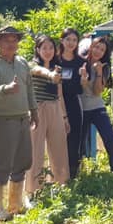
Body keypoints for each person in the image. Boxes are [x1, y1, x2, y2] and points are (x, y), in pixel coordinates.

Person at [0, 25, 39, 220]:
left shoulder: (22, 63)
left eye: (14, 40)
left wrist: (34, 111)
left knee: (22, 161)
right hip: (3, 120)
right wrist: (6, 88)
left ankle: (15, 205)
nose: (11, 43)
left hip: (23, 118)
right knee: (0, 163)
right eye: (7, 40)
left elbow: (30, 89)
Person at [27, 34, 70, 193]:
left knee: (59, 147)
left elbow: (60, 95)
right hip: (37, 110)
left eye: (51, 47)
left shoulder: (58, 68)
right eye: (44, 48)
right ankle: (33, 188)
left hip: (55, 108)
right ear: (37, 50)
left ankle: (61, 183)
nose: (48, 51)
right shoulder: (31, 65)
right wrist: (50, 75)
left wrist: (65, 117)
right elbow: (38, 71)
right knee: (35, 149)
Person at [79, 36, 113, 172]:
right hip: (81, 108)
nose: (98, 51)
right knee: (79, 141)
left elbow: (97, 91)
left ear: (105, 53)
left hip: (97, 107)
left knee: (109, 137)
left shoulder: (104, 67)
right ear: (91, 47)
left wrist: (98, 73)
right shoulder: (80, 63)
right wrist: (82, 80)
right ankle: (78, 170)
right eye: (97, 47)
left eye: (102, 50)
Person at [57, 28, 85, 178]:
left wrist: (84, 80)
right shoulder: (55, 60)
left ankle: (73, 172)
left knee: (74, 137)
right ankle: (57, 172)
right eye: (68, 39)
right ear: (62, 41)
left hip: (73, 102)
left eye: (74, 40)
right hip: (55, 103)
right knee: (58, 137)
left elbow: (83, 87)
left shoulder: (81, 62)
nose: (71, 43)